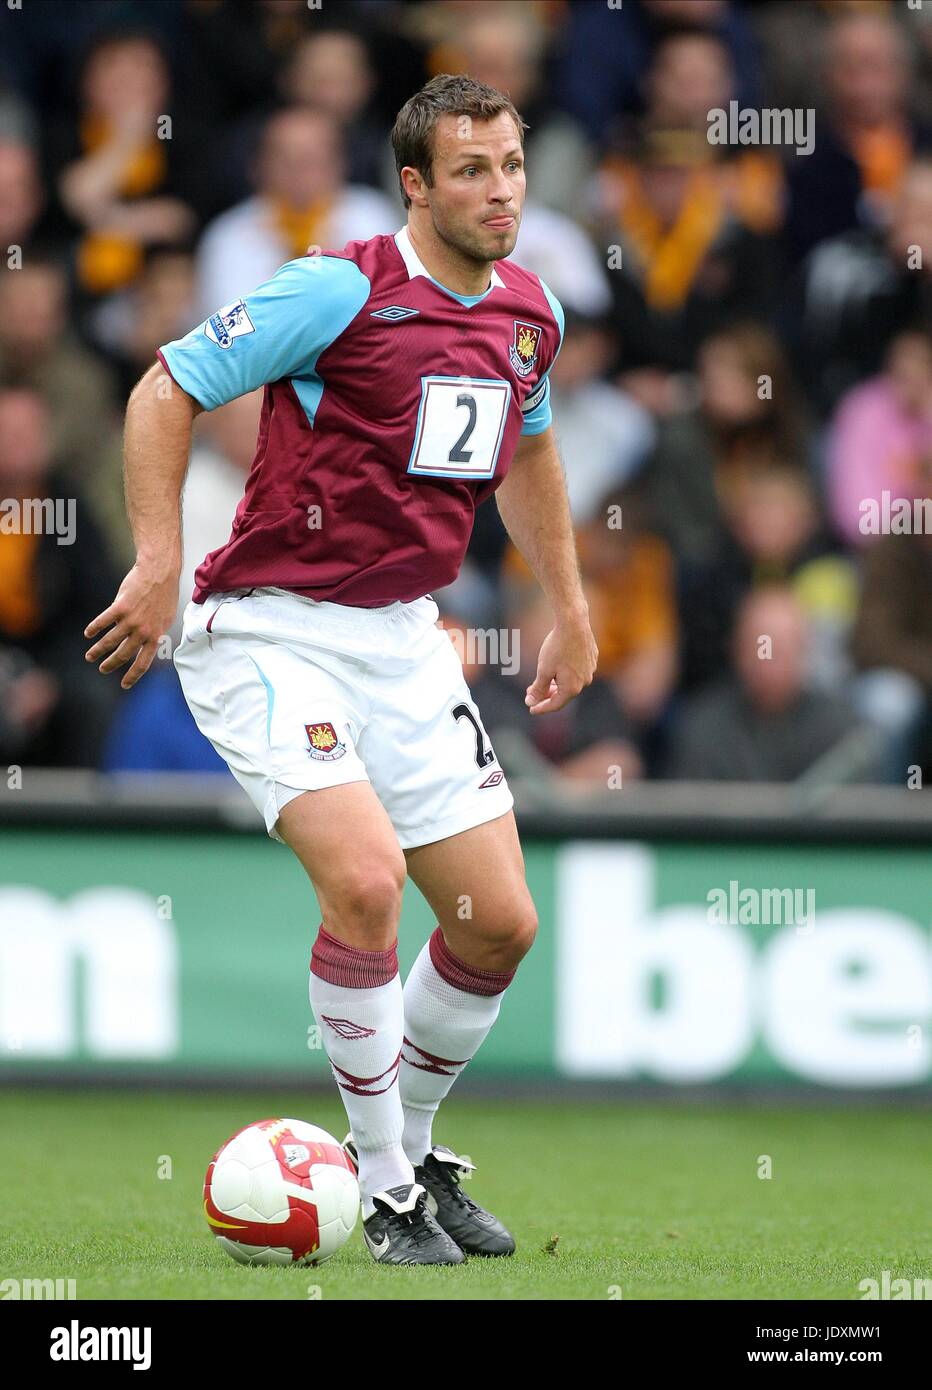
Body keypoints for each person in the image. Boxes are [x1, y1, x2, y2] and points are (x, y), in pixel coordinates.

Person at [84, 74, 598, 1267]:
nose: (500, 190)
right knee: (366, 884)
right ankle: (381, 1194)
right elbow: (164, 389)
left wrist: (566, 606)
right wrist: (159, 561)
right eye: (471, 170)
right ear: (414, 184)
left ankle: (415, 1149)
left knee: (497, 925)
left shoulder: (529, 314)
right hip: (268, 627)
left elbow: (528, 452)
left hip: (402, 635)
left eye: (512, 165)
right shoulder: (336, 286)